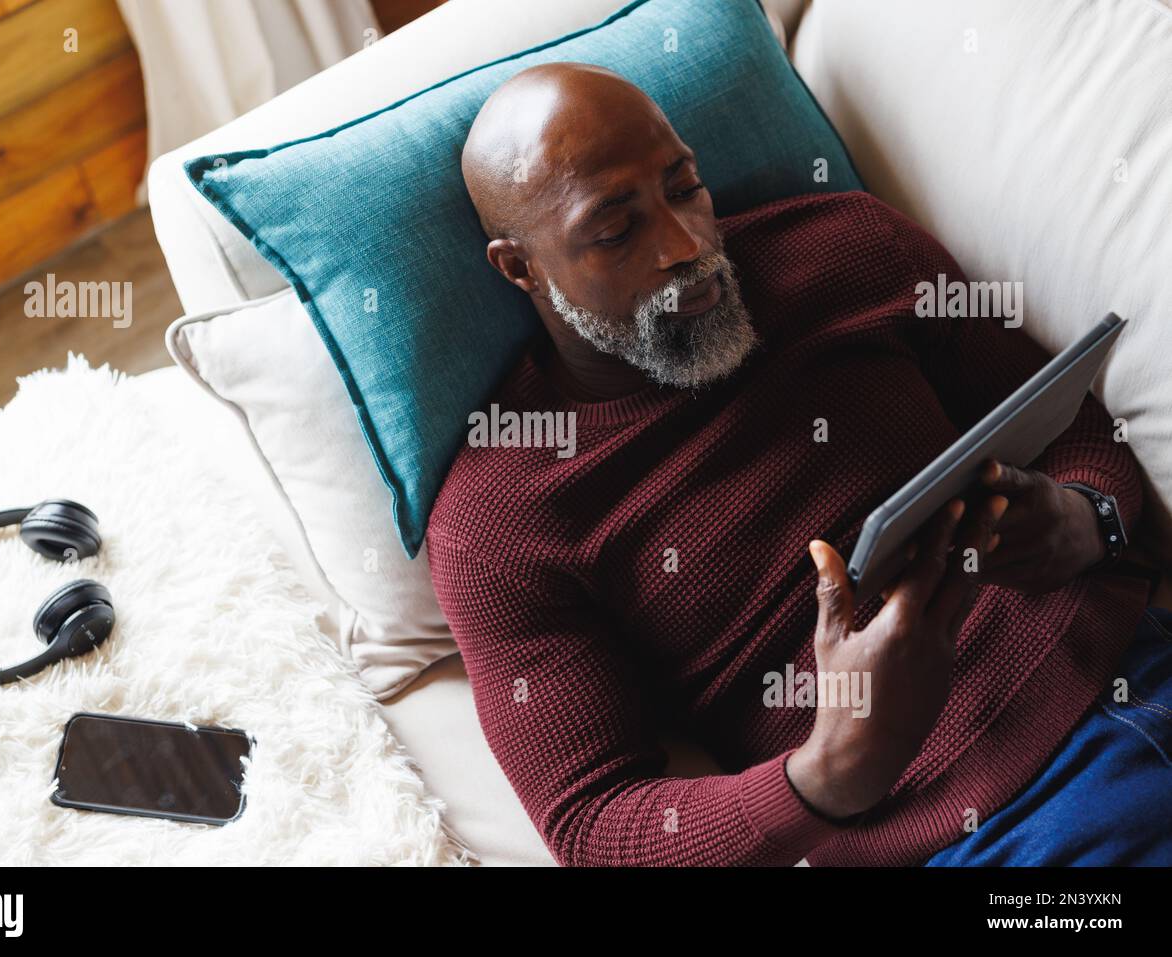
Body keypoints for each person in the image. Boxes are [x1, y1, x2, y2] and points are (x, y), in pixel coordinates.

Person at [425, 62, 1164, 866]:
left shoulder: (847, 247)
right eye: (615, 230)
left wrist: (1083, 517)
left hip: (1135, 674)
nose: (688, 246)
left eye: (684, 186)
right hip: (966, 842)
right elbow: (595, 823)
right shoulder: (499, 518)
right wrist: (832, 769)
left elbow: (1076, 424)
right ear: (521, 267)